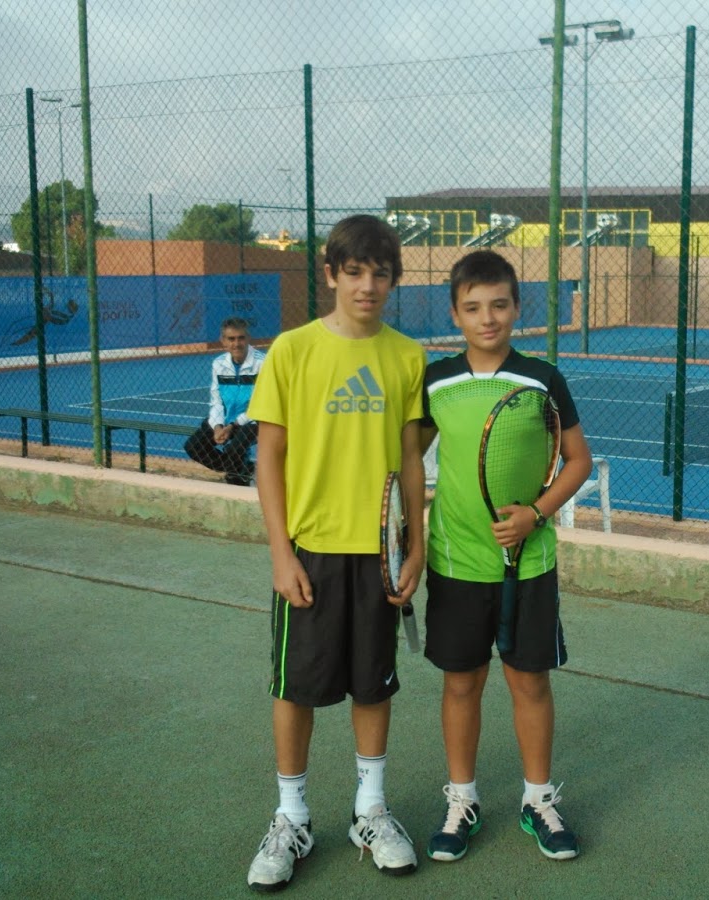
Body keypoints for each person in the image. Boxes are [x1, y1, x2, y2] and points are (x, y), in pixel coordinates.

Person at [244, 214, 428, 892]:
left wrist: (415, 544)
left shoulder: (407, 357)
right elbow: (268, 459)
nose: (367, 286)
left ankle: (369, 811)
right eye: (354, 272)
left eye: (380, 274)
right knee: (294, 687)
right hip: (311, 551)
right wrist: (280, 553)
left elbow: (412, 459)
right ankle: (291, 817)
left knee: (373, 683)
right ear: (330, 275)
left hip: (379, 555)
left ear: (394, 281)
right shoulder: (292, 351)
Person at [418, 250, 592, 864]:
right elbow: (406, 458)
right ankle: (461, 801)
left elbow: (578, 461)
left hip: (530, 564)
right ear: (455, 314)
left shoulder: (544, 379)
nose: (487, 318)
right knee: (461, 684)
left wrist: (535, 514)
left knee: (530, 681)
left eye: (498, 305)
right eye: (472, 308)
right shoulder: (435, 380)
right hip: (455, 563)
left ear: (517, 307)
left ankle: (538, 800)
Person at [183, 317, 264, 486]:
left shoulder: (263, 363)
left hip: (254, 420)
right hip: (226, 420)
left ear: (248, 338)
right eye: (231, 339)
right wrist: (218, 426)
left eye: (241, 338)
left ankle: (237, 477)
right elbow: (216, 401)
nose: (236, 344)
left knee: (235, 450)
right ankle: (242, 468)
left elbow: (261, 404)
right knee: (193, 447)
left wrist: (233, 425)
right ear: (223, 341)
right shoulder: (218, 364)